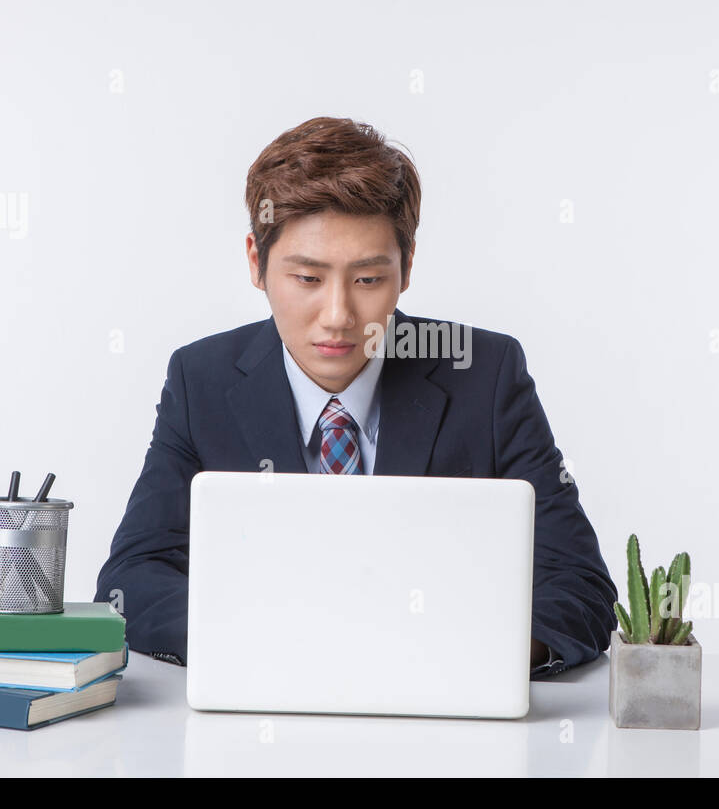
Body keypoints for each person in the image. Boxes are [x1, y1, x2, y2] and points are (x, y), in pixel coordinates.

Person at [94, 116, 617, 676]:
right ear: (256, 262)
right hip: (264, 707)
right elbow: (135, 575)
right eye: (308, 280)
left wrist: (468, 651)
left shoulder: (485, 374)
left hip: (441, 706)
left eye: (368, 280)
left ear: (407, 267)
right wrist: (272, 643)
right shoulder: (202, 380)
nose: (339, 316)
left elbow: (579, 582)